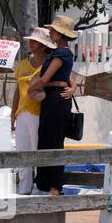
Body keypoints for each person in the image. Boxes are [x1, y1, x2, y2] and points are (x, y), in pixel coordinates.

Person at [30, 21, 76, 195]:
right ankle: (44, 184)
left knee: (54, 140)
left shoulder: (62, 54)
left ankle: (55, 186)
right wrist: (74, 87)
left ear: (60, 34)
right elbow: (70, 78)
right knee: (46, 139)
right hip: (51, 98)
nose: (50, 33)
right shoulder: (57, 53)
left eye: (53, 31)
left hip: (57, 99)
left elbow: (46, 78)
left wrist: (31, 88)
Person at [11, 29, 51, 194]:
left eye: (34, 42)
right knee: (22, 150)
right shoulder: (22, 65)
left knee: (37, 150)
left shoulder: (48, 65)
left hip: (39, 113)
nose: (30, 44)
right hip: (22, 113)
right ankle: (24, 187)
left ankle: (38, 186)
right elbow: (17, 91)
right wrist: (13, 114)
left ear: (42, 45)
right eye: (30, 41)